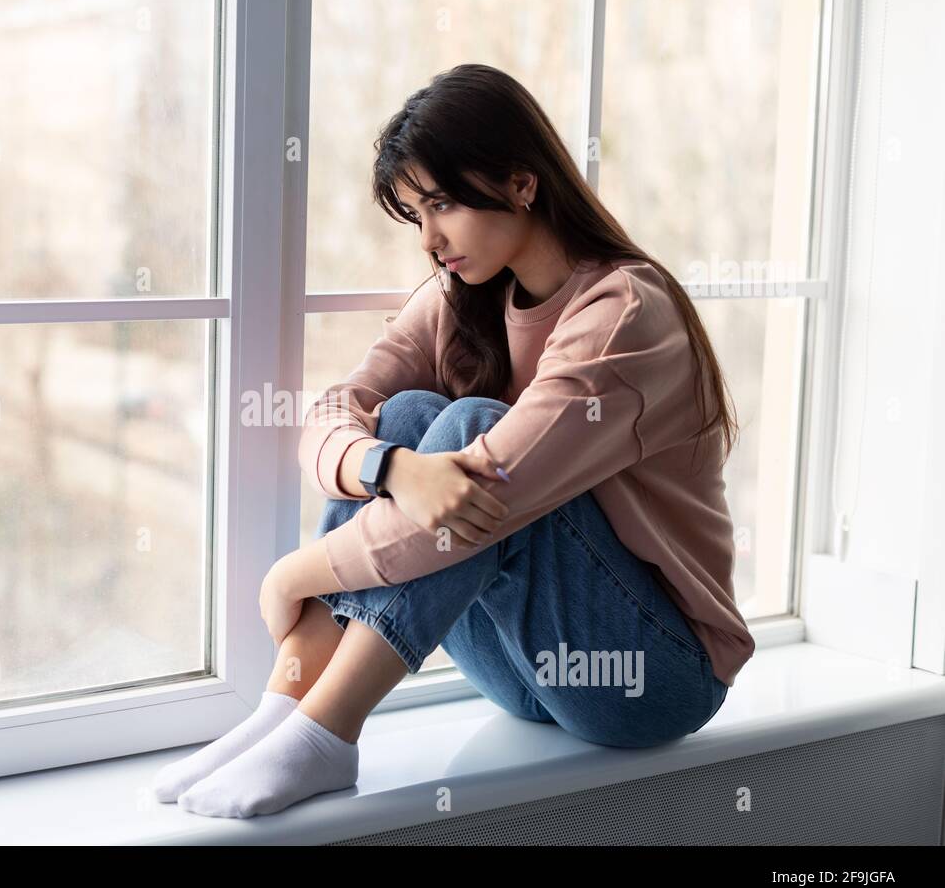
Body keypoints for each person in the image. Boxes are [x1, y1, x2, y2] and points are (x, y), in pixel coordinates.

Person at [155, 63, 753, 819]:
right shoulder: (463, 293)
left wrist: (293, 576)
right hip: (522, 672)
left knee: (473, 433)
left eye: (440, 204)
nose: (430, 239)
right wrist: (387, 464)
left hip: (645, 677)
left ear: (522, 182)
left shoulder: (624, 314)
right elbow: (334, 411)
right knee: (404, 418)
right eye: (415, 214)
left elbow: (492, 485)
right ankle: (288, 709)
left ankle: (324, 735)